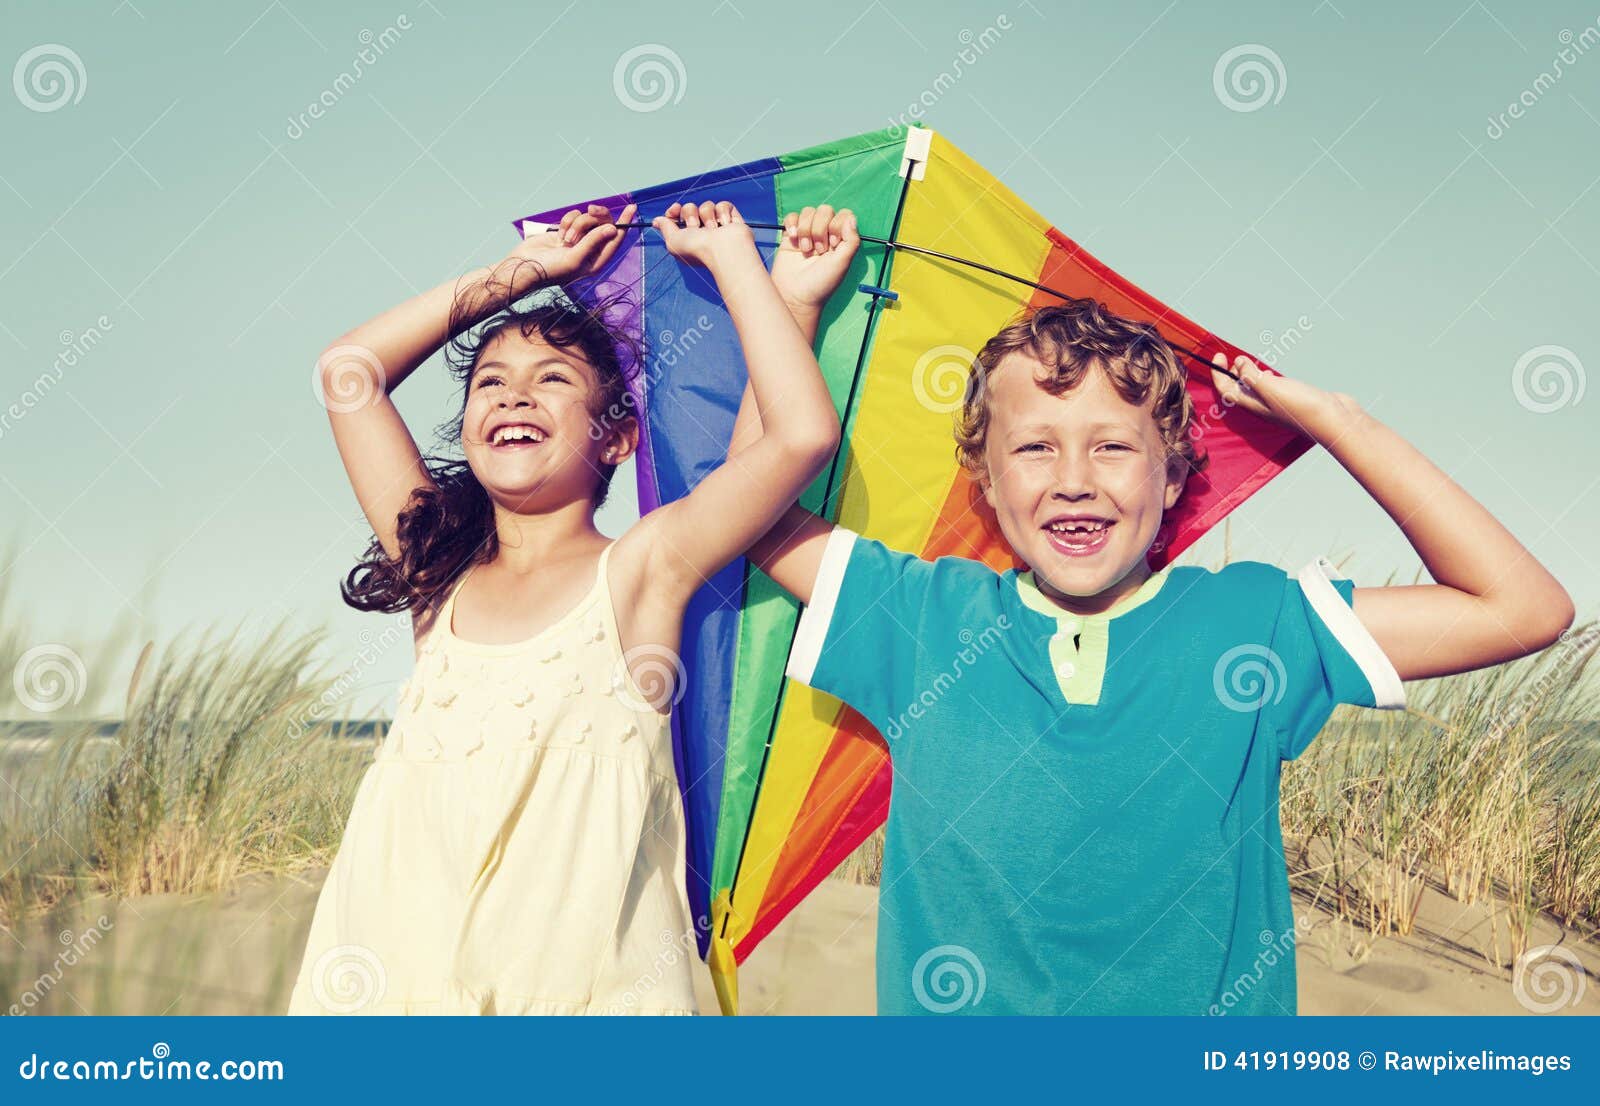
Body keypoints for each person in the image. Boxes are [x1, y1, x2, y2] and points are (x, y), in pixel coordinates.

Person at [738, 214, 1575, 1014]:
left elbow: (1521, 608)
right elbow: (745, 508)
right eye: (1034, 447)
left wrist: (1338, 422)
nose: (1074, 479)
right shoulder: (923, 620)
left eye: (1112, 446)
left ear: (1172, 476)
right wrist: (790, 302)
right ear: (985, 480)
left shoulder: (1255, 623)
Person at [287, 198, 852, 1014]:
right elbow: (348, 373)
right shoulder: (438, 570)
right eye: (490, 382)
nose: (514, 396)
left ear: (616, 437)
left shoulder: (644, 568)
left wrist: (752, 271)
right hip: (394, 991)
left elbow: (798, 438)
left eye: (552, 380)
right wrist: (526, 271)